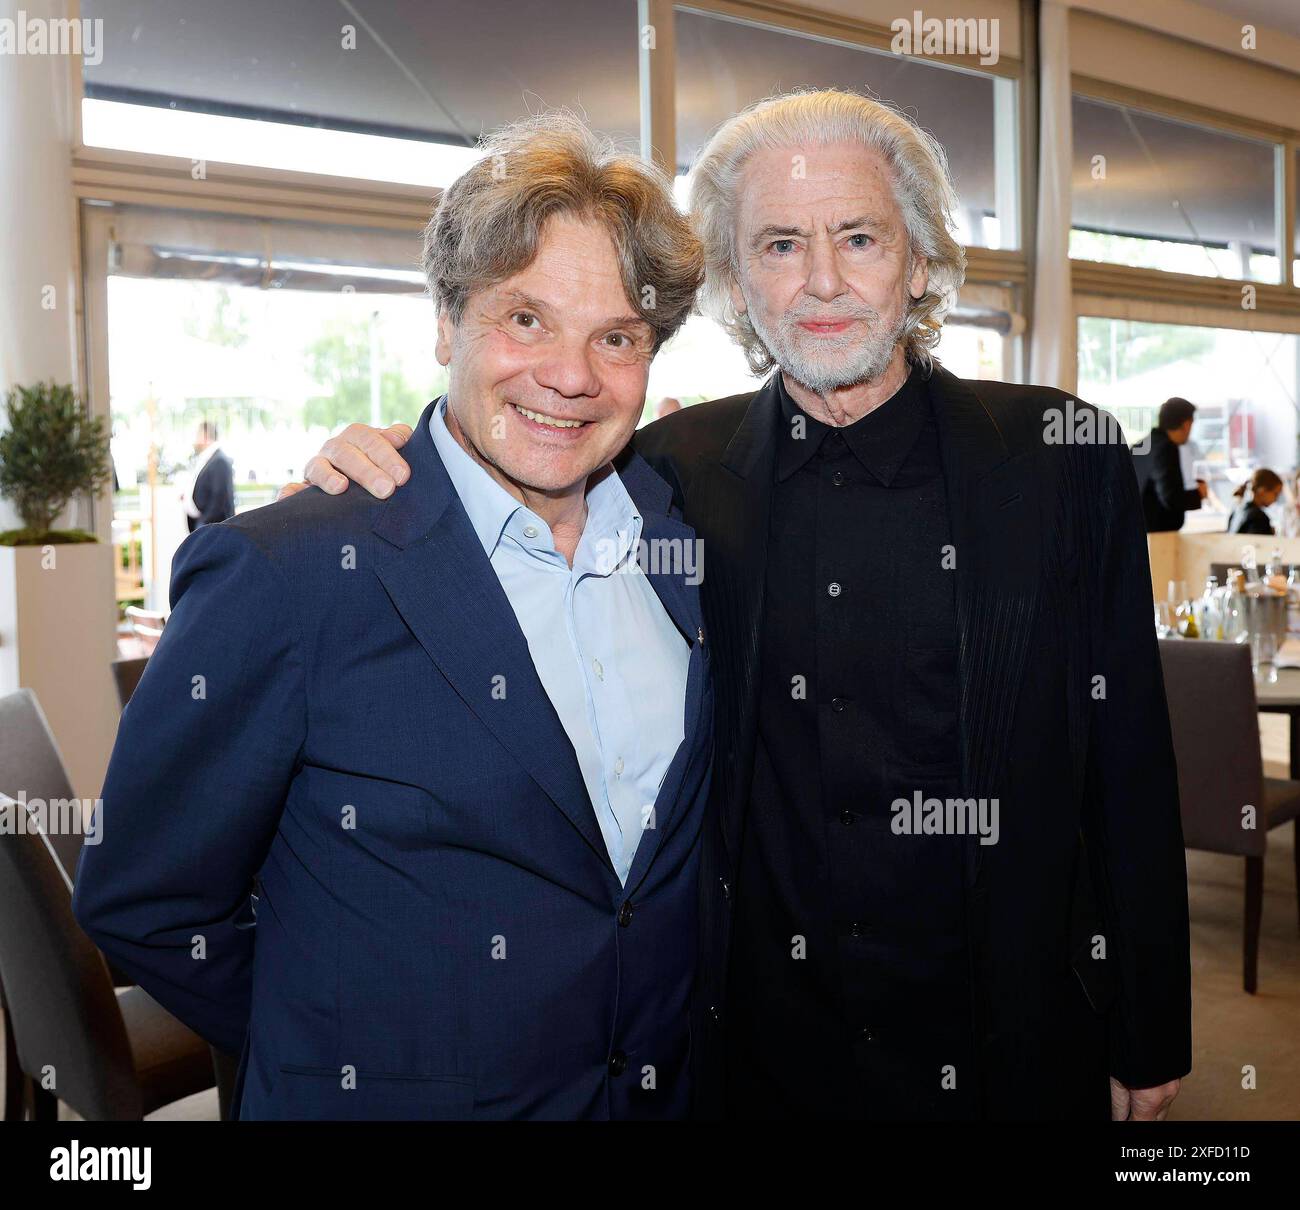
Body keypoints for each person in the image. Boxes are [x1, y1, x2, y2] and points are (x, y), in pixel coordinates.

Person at [288, 91, 1191, 1122]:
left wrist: (1147, 1019)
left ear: (920, 259)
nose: (819, 281)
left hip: (1012, 1040)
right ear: (730, 277)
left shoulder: (1059, 459)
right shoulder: (664, 469)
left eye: (857, 237)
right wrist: (366, 477)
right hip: (755, 1055)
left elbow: (1127, 757)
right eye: (775, 244)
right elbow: (501, 481)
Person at [73, 114, 714, 1120]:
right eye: (527, 319)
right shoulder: (292, 572)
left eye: (617, 336)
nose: (572, 374)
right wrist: (350, 1043)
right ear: (448, 323)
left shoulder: (690, 542)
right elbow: (143, 902)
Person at [1132, 398, 1207, 533]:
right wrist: (1198, 494)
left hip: (1136, 531)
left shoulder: (1140, 445)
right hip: (1158, 536)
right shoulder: (1166, 448)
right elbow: (1171, 498)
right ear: (1186, 424)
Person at [182, 419, 236, 531]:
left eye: (197, 434)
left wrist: (203, 526)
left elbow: (219, 500)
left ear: (206, 436)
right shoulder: (209, 458)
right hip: (205, 525)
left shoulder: (219, 461)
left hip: (211, 528)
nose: (195, 439)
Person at [1226, 468, 1283, 535]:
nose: (1276, 499)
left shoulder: (1236, 509)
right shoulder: (1259, 517)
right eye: (1275, 494)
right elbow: (1260, 544)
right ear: (1262, 491)